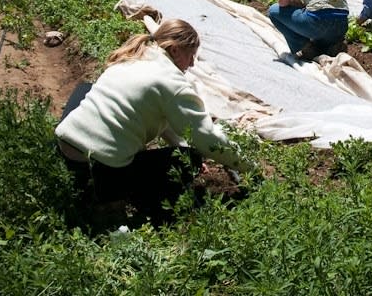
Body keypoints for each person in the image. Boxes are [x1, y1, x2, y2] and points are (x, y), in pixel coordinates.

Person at [55, 18, 250, 216]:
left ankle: (69, 170)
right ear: (174, 50)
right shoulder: (171, 83)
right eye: (191, 55)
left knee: (86, 89)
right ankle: (134, 202)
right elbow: (206, 137)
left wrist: (182, 143)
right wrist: (247, 166)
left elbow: (160, 119)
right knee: (188, 160)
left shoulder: (134, 57)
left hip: (65, 145)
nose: (192, 64)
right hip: (103, 168)